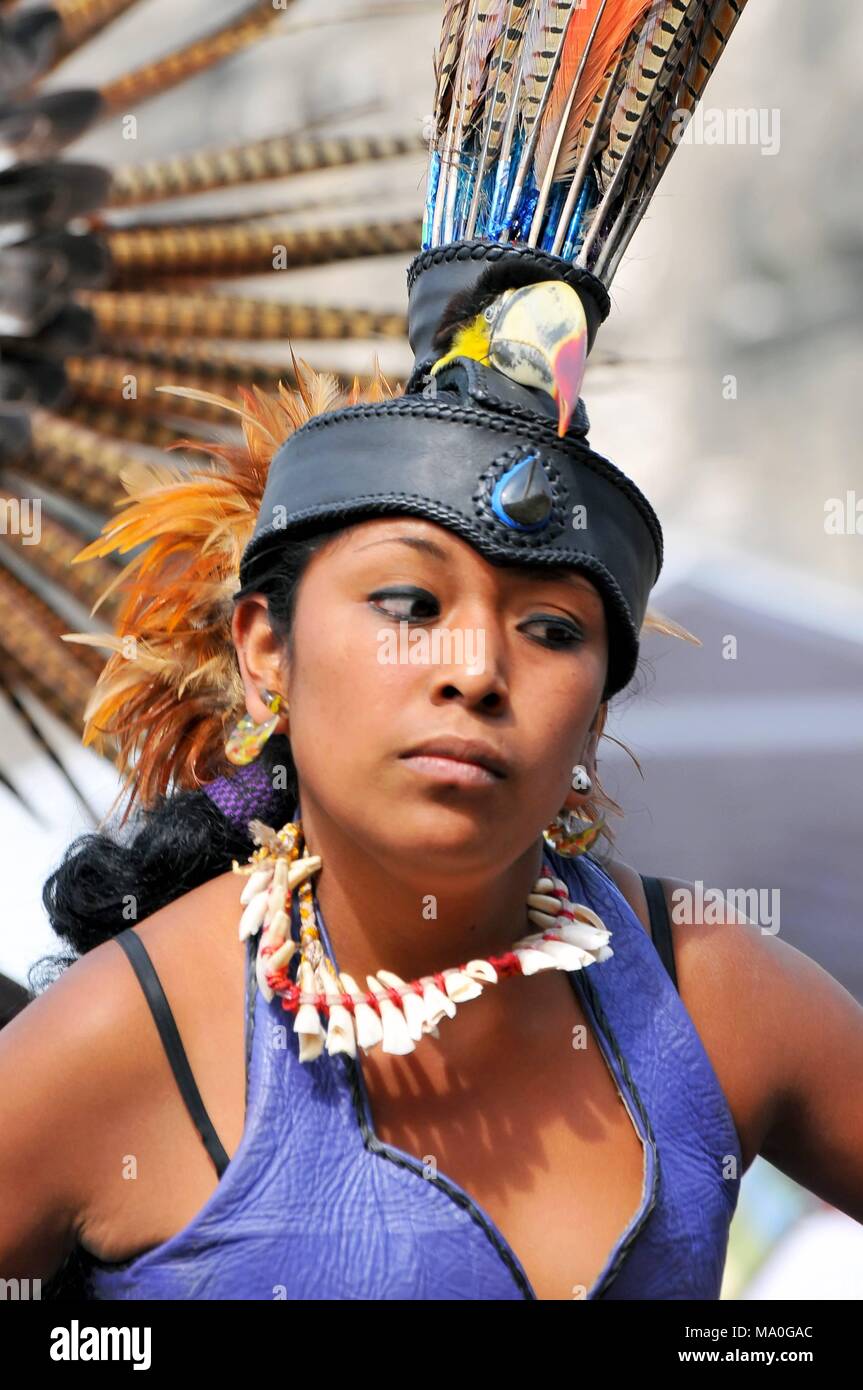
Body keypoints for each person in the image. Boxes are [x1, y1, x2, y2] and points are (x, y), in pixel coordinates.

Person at [2, 1, 862, 1301]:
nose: (478, 668)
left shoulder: (718, 999)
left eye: (554, 628)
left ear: (600, 704)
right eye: (408, 604)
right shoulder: (117, 1047)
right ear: (263, 653)